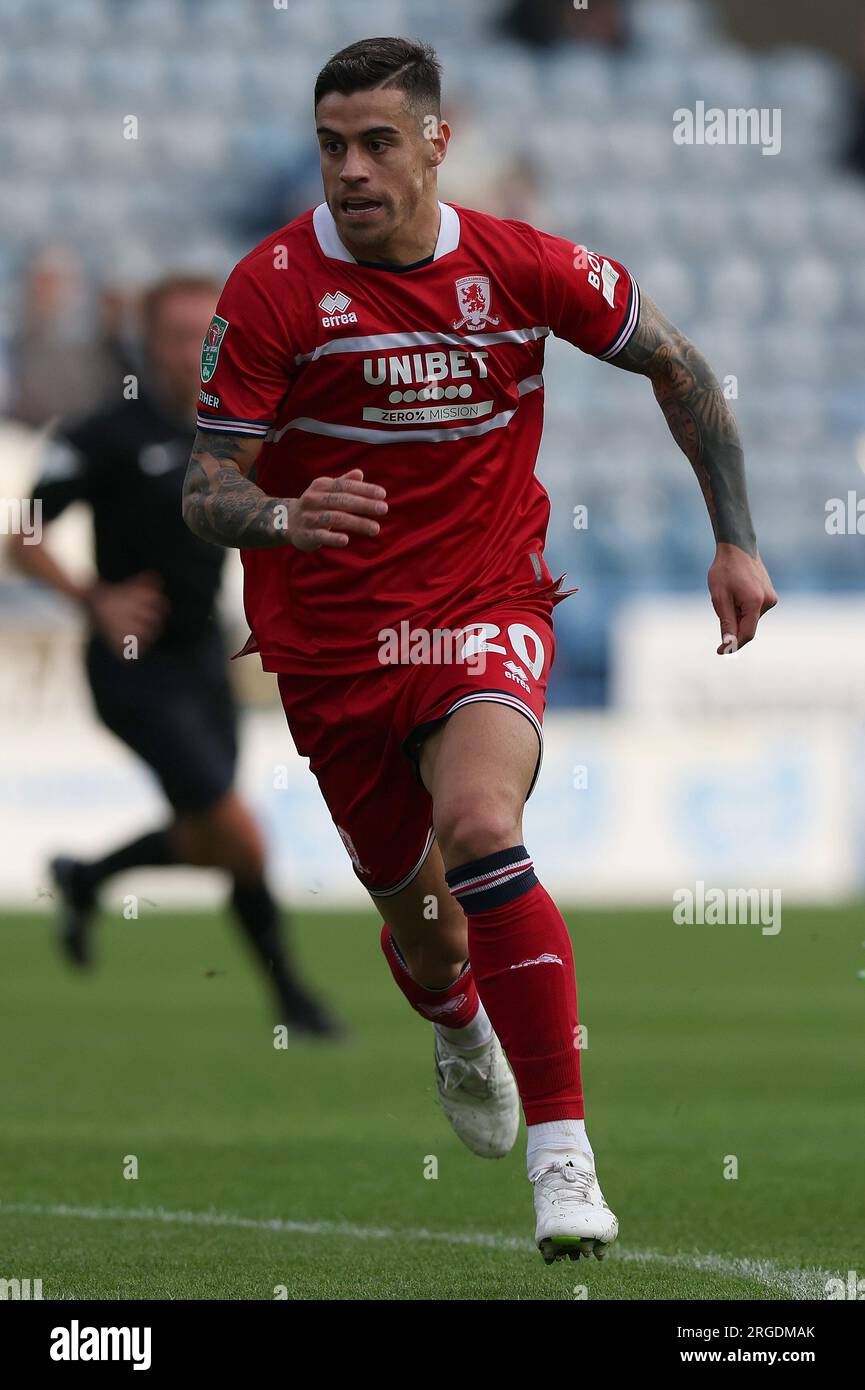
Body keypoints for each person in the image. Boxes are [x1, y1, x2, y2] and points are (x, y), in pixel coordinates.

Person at [181, 38, 777, 1261]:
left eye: (377, 143)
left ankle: (566, 1162)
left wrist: (736, 541)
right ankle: (456, 1019)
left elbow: (681, 365)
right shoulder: (271, 288)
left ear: (438, 143)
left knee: (482, 826)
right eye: (332, 146)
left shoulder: (520, 265)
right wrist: (291, 517)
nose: (350, 169)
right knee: (425, 927)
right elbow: (206, 489)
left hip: (482, 603)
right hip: (333, 646)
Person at [7, 273, 342, 1040]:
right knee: (238, 832)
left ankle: (86, 878)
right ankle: (293, 999)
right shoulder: (102, 434)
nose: (191, 350)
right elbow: (21, 532)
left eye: (205, 335)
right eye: (174, 334)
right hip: (131, 666)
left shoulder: (243, 430)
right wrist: (95, 598)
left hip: (205, 661)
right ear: (146, 343)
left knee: (207, 836)